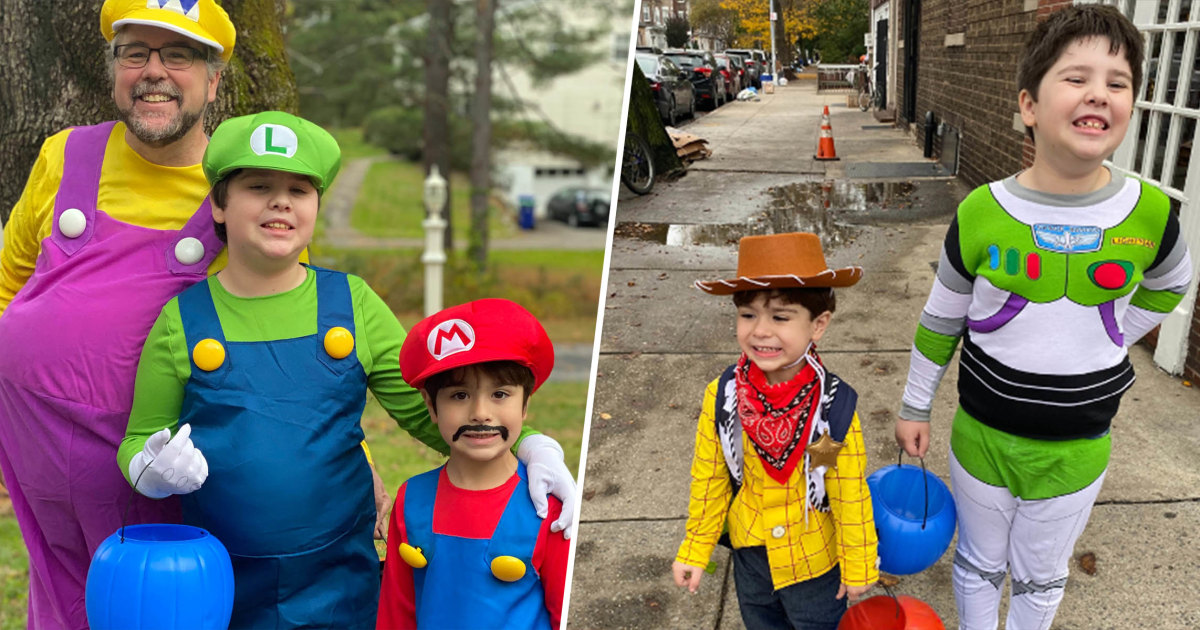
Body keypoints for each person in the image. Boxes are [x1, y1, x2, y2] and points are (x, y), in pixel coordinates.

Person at [116, 111, 575, 629]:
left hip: (340, 581)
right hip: (220, 581)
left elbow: (434, 410)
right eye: (259, 186)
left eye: (299, 190)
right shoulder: (181, 320)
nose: (281, 201)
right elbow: (138, 439)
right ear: (219, 205)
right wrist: (149, 471)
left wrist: (534, 445)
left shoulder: (352, 303)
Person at [894, 6, 1193, 630]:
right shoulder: (982, 212)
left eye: (1117, 82)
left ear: (1130, 106)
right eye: (1076, 77)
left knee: (1040, 575)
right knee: (977, 565)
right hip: (982, 437)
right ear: (1029, 105)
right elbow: (940, 319)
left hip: (1077, 449)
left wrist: (1112, 333)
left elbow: (1173, 285)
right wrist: (916, 406)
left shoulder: (1150, 215)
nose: (1098, 94)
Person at [0, 2, 234, 627]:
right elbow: (8, 283)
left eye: (177, 56)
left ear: (213, 81)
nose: (153, 72)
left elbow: (290, 332)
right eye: (136, 53)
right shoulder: (63, 156)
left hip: (151, 468)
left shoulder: (239, 193)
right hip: (36, 452)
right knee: (58, 595)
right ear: (114, 71)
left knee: (145, 602)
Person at [671, 232, 879, 630]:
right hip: (752, 559)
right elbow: (710, 478)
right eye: (748, 315)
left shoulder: (829, 408)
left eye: (780, 317)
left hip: (815, 565)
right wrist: (695, 550)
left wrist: (859, 563)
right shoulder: (724, 396)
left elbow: (846, 488)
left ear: (818, 325)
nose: (760, 331)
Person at [379, 298, 571, 630]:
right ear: (430, 405)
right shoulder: (411, 499)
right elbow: (397, 613)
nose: (480, 413)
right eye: (459, 395)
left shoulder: (548, 506)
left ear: (525, 405)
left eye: (500, 394)